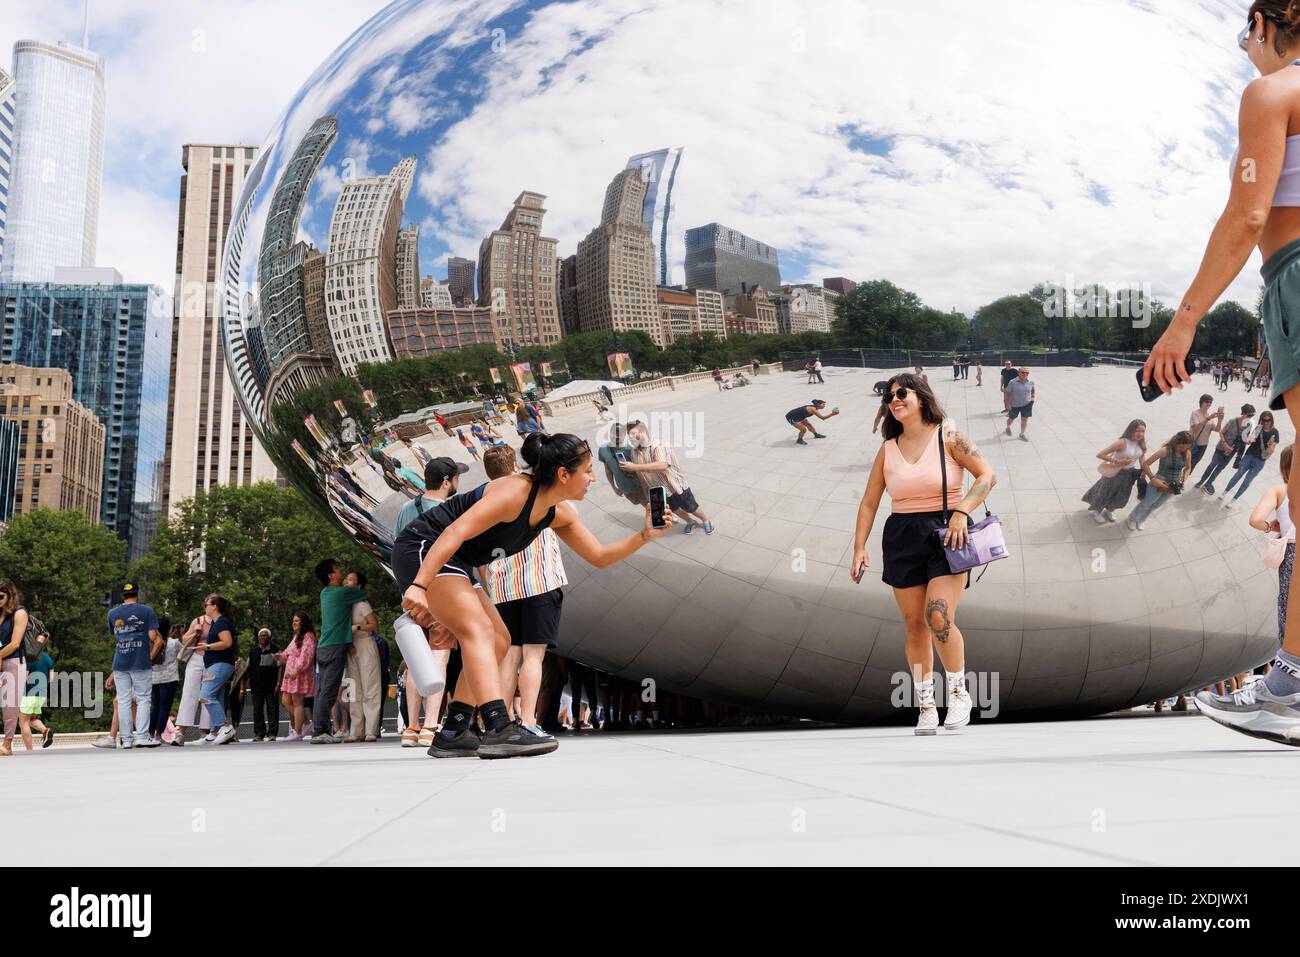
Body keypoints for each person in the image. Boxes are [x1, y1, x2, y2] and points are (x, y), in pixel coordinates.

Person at [394, 432, 674, 759]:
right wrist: (419, 585)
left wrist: (644, 535)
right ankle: (500, 727)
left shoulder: (558, 512)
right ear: (563, 475)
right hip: (424, 548)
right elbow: (454, 531)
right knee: (480, 632)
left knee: (499, 640)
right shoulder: (514, 492)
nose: (593, 478)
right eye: (587, 470)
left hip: (457, 561)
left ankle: (455, 731)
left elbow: (598, 555)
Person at [849, 373, 996, 735]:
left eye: (902, 393)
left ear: (921, 397)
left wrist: (962, 510)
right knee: (914, 624)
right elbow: (869, 502)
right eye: (889, 395)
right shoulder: (888, 449)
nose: (895, 399)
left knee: (937, 616)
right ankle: (926, 705)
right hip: (901, 535)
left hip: (948, 531)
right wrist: (859, 547)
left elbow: (987, 476)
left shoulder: (949, 435)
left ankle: (960, 692)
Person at [483, 445, 566, 736]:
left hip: (504, 587)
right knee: (533, 656)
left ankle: (501, 724)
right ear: (514, 467)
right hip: (539, 581)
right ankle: (529, 722)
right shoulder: (533, 494)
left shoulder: (484, 500)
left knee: (509, 655)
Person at [620, 419, 715, 534]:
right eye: (629, 435)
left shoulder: (659, 444)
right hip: (658, 490)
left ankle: (706, 520)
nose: (631, 437)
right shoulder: (634, 452)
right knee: (674, 509)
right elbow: (641, 474)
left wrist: (634, 467)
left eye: (634, 433)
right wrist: (646, 490)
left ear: (643, 431)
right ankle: (690, 522)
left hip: (674, 485)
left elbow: (662, 465)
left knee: (691, 507)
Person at [311, 560, 370, 743]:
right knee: (329, 691)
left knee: (322, 691)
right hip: (335, 646)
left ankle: (321, 729)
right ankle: (320, 731)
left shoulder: (325, 593)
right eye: (337, 569)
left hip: (323, 647)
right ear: (331, 575)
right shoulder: (342, 592)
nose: (341, 571)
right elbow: (366, 594)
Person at [108, 582, 164, 750]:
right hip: (140, 661)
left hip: (120, 662)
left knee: (124, 701)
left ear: (122, 596)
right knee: (143, 698)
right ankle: (142, 736)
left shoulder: (112, 613)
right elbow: (154, 637)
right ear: (137, 594)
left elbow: (116, 639)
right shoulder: (146, 611)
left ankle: (126, 739)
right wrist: (149, 655)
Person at [1124, 431, 1194, 531]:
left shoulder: (1187, 453)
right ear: (1176, 442)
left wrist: (1183, 480)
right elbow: (1145, 464)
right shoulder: (1165, 450)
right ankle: (1132, 518)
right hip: (1160, 480)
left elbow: (1188, 468)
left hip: (1174, 484)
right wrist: (1153, 478)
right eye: (1182, 447)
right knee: (1147, 503)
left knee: (1156, 505)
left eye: (1187, 447)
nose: (1184, 450)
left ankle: (1142, 519)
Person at [343, 571, 383, 742]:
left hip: (365, 645)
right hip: (351, 649)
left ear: (359, 586)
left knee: (370, 687)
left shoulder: (362, 604)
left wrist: (358, 627)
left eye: (351, 579)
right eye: (346, 578)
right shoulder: (343, 605)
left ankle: (371, 730)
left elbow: (374, 624)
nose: (346, 581)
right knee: (354, 689)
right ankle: (356, 730)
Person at [1082, 420, 1147, 523]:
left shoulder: (1141, 444)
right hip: (1115, 472)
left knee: (1122, 495)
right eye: (1137, 430)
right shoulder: (1122, 442)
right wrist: (1118, 461)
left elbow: (1142, 458)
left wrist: (1144, 470)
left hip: (1129, 474)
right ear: (1131, 430)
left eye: (1143, 431)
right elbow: (1100, 454)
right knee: (1105, 492)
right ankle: (1096, 511)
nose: (1140, 434)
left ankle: (1109, 509)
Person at [195, 594, 239, 745]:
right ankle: (214, 732)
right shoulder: (217, 623)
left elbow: (227, 642)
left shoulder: (221, 622)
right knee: (217, 698)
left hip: (220, 664)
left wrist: (207, 646)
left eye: (206, 605)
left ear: (214, 606)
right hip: (216, 664)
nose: (204, 607)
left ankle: (226, 728)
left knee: (206, 695)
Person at [1220, 409, 1280, 506]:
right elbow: (1249, 442)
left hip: (1260, 460)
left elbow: (1271, 451)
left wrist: (1270, 445)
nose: (1266, 423)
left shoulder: (1275, 432)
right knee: (1238, 474)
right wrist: (1250, 437)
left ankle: (1234, 499)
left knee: (1247, 481)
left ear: (1271, 420)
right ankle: (1225, 492)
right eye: (1264, 420)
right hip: (1249, 455)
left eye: (1268, 420)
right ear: (1261, 420)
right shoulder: (1258, 428)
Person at [1194, 404, 1255, 495]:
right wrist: (1225, 444)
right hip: (1221, 448)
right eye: (1249, 415)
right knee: (1212, 465)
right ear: (1243, 413)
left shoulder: (1248, 425)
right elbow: (1221, 433)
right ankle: (1201, 481)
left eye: (1252, 415)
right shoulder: (1232, 421)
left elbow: (1244, 439)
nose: (1250, 417)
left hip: (1232, 451)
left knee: (1220, 468)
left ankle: (1208, 483)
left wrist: (1250, 440)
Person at [0, 579, 30, 756]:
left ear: (10, 595)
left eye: (1, 596)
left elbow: (15, 643)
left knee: (9, 703)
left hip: (13, 661)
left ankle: (7, 743)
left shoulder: (19, 613)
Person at [171, 611, 210, 746]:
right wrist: (195, 633)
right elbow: (184, 640)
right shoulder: (198, 620)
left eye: (209, 605)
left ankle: (205, 733)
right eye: (206, 605)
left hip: (212, 659)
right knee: (189, 694)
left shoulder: (220, 621)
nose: (207, 608)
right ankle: (181, 733)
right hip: (196, 658)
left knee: (208, 695)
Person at [276, 613, 316, 741]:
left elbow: (306, 656)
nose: (294, 623)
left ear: (303, 622)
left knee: (297, 702)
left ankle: (297, 732)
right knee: (286, 701)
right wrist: (280, 656)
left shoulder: (308, 636)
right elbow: (288, 653)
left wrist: (297, 670)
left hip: (299, 672)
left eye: (297, 621)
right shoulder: (296, 636)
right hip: (289, 673)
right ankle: (306, 723)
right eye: (293, 620)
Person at [147, 622, 181, 745]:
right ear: (169, 630)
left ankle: (150, 733)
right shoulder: (174, 643)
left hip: (154, 678)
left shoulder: (151, 643)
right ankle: (158, 734)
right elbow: (184, 653)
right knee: (164, 707)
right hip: (170, 678)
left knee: (155, 706)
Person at [597, 423, 645, 506]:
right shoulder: (603, 450)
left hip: (639, 486)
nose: (616, 437)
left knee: (647, 505)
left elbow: (643, 468)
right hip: (624, 487)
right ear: (609, 433)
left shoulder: (631, 449)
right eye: (614, 433)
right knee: (636, 502)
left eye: (619, 434)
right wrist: (614, 487)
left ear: (624, 435)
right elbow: (608, 469)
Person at [247, 627, 283, 741]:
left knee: (272, 710)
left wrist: (278, 683)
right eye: (261, 635)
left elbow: (281, 667)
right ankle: (259, 733)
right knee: (257, 710)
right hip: (256, 686)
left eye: (265, 635)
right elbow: (248, 668)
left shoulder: (276, 650)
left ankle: (272, 733)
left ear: (269, 637)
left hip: (271, 686)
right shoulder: (253, 651)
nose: (263, 637)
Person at [18, 645, 53, 750]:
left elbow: (24, 678)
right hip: (42, 694)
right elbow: (51, 679)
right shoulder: (47, 658)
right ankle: (45, 730)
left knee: (23, 722)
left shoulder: (29, 658)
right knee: (31, 719)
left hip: (29, 694)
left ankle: (29, 751)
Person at [1189, 394, 1225, 472]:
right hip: (1193, 442)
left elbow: (1217, 429)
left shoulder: (1209, 415)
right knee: (1188, 462)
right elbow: (1195, 427)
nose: (1208, 404)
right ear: (1201, 402)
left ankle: (1184, 478)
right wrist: (1208, 418)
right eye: (1207, 402)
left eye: (1210, 402)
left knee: (1194, 463)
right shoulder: (1195, 413)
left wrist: (1220, 420)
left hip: (1203, 445)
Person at [1003, 367, 1035, 441]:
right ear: (1018, 373)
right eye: (1022, 372)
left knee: (1024, 420)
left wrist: (1033, 397)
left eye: (1027, 373)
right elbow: (1007, 392)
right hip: (1014, 405)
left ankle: (1022, 434)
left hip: (1027, 404)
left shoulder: (1031, 382)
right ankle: (1008, 427)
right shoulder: (1012, 382)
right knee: (1011, 418)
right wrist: (1007, 403)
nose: (1025, 374)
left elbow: (1033, 390)